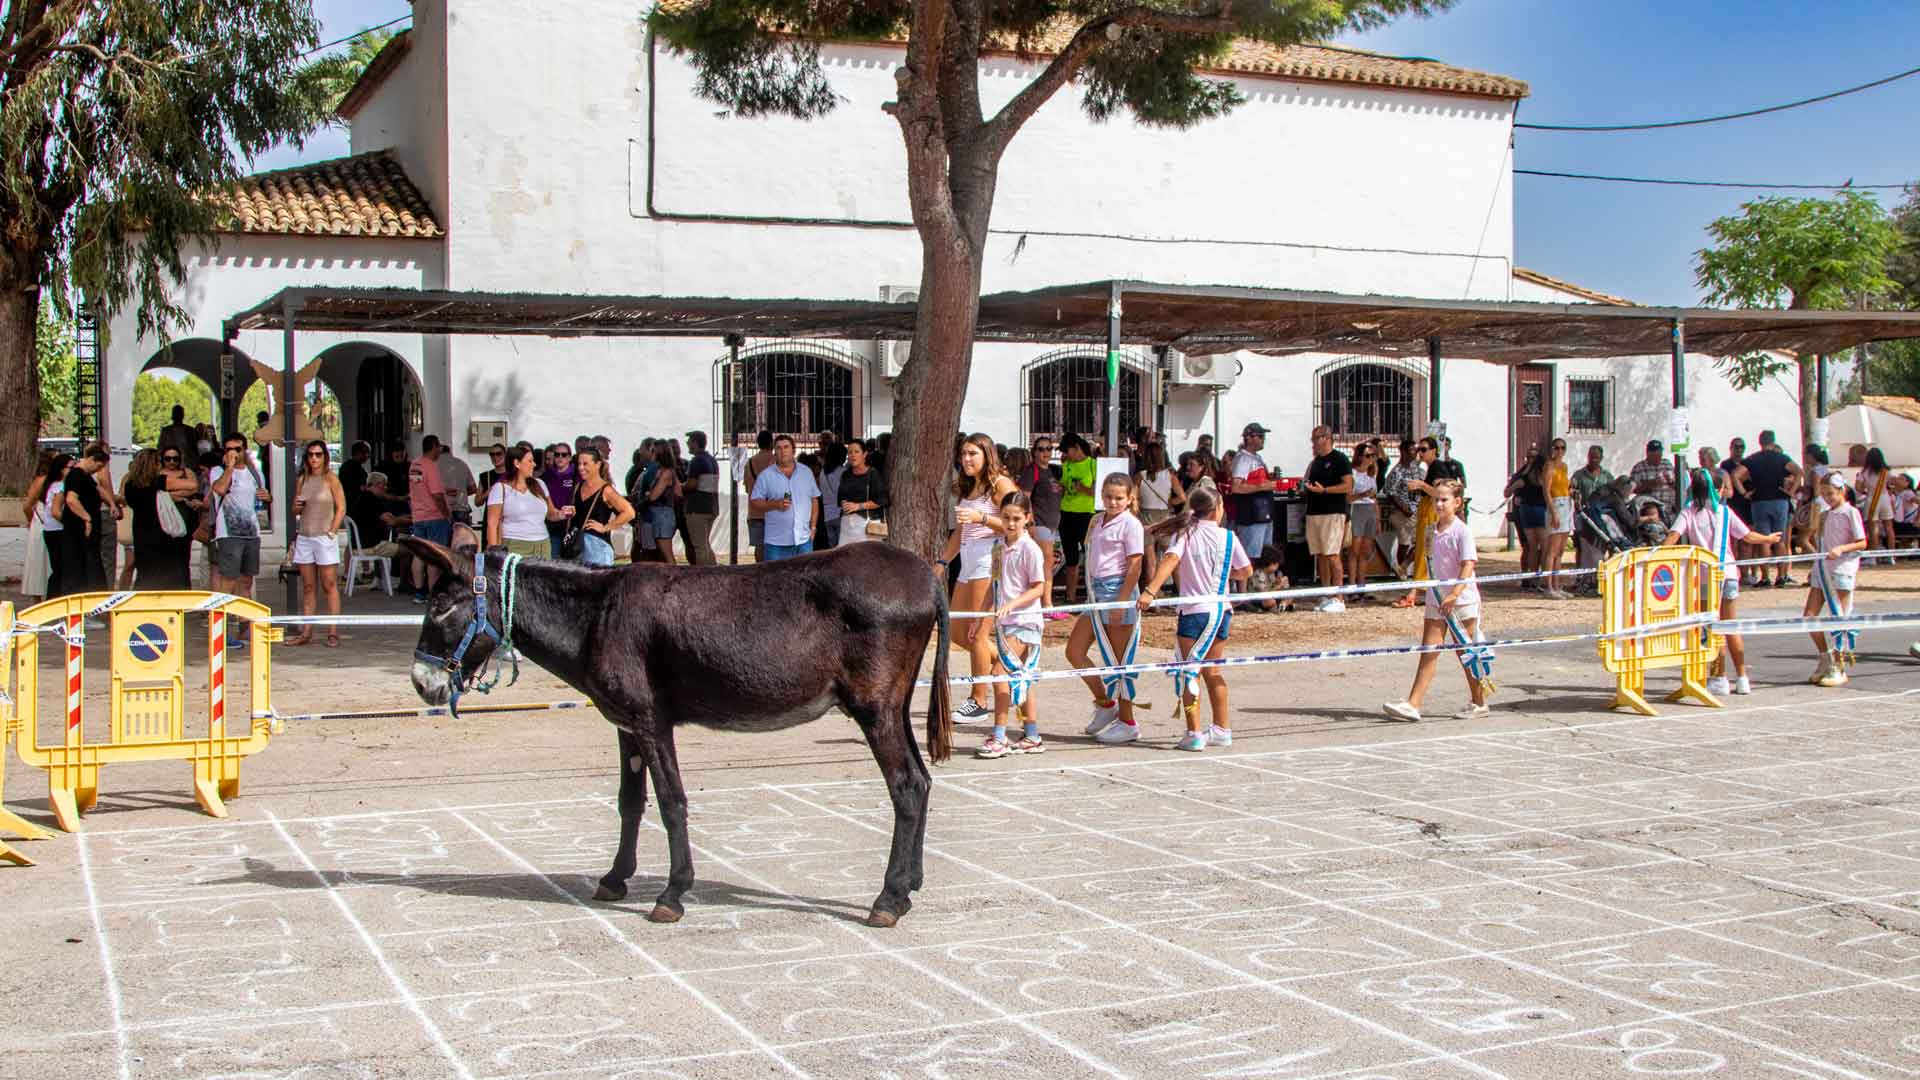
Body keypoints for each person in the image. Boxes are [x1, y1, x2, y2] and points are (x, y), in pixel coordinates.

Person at [1139, 487, 1252, 752]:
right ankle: (1222, 729)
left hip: (1194, 613)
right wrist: (1220, 573)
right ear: (1217, 509)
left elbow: (1170, 560)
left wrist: (1150, 591)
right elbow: (1246, 570)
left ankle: (1194, 733)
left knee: (1190, 672)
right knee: (1213, 671)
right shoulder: (1228, 536)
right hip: (1221, 612)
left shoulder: (1186, 533)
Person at [1665, 468, 1778, 698]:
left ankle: (1719, 677)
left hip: (1706, 578)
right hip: (1729, 574)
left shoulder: (1688, 512)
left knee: (1712, 627)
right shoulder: (1725, 512)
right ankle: (1742, 677)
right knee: (1730, 625)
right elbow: (1747, 536)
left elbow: (1672, 538)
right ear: (1718, 490)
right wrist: (1768, 538)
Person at [1383, 479, 1488, 723]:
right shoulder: (1431, 530)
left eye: (1444, 500)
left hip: (1462, 601)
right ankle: (1413, 704)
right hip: (1436, 599)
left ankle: (1479, 701)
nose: (1439, 504)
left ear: (1457, 502)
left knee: (1467, 652)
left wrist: (1454, 594)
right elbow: (1428, 564)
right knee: (1428, 652)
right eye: (1436, 499)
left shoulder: (1462, 531)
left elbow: (1468, 565)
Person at [936, 433, 1019, 723]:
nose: (966, 459)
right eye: (963, 453)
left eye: (972, 453)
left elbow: (1017, 524)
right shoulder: (969, 486)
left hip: (990, 562)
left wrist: (982, 518)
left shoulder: (1001, 484)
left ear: (987, 454)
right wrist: (942, 563)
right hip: (968, 562)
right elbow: (960, 532)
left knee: (979, 634)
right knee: (959, 633)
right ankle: (1007, 667)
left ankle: (979, 699)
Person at [1073, 474, 1147, 746]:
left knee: (1118, 661)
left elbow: (1136, 564)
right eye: (1108, 496)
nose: (1113, 502)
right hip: (1095, 591)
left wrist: (1122, 600)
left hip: (1117, 590)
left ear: (1129, 499)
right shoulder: (1096, 520)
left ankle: (1128, 722)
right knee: (1075, 651)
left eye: (1119, 498)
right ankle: (1106, 703)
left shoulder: (1131, 524)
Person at [975, 491, 1048, 760]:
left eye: (1017, 518)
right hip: (1005, 622)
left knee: (999, 673)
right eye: (1006, 518)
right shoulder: (998, 546)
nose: (1011, 523)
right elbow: (992, 585)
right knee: (1021, 676)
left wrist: (1013, 604)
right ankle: (1032, 734)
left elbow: (1038, 587)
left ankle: (999, 735)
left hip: (1025, 621)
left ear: (1027, 518)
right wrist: (980, 617)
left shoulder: (1030, 549)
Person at [1805, 470, 1867, 688]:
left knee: (1839, 616)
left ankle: (1839, 665)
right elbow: (1819, 543)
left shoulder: (1851, 512)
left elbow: (1862, 542)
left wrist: (1842, 549)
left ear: (1841, 491)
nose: (1828, 498)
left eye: (1831, 493)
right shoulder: (1825, 514)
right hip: (1822, 570)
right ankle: (1825, 657)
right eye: (1824, 494)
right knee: (1809, 616)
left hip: (1842, 569)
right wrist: (1814, 566)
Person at [287, 440, 347, 648]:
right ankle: (306, 632)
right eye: (311, 454)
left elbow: (341, 507)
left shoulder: (331, 479)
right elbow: (295, 510)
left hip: (324, 537)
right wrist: (296, 507)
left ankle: (333, 632)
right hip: (305, 536)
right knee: (308, 586)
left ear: (325, 457)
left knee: (329, 584)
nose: (314, 458)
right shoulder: (302, 479)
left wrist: (332, 531)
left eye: (318, 454)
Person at [208, 433, 267, 603]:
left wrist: (267, 497)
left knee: (246, 581)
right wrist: (230, 467)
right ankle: (221, 617)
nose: (233, 452)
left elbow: (260, 499)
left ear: (245, 450)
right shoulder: (218, 471)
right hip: (229, 534)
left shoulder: (255, 473)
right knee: (228, 580)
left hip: (251, 533)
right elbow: (219, 489)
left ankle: (243, 618)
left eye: (237, 449)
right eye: (228, 449)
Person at [1302, 425, 1353, 611]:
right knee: (1321, 555)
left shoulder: (1340, 459)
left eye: (1315, 439)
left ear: (1326, 438)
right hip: (1314, 512)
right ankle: (1326, 593)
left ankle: (1339, 597)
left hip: (1333, 512)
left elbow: (1348, 486)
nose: (1313, 443)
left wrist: (1324, 490)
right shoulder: (1315, 462)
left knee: (1332, 554)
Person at [748, 433, 821, 562]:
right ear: (774, 452)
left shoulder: (806, 472)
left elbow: (814, 500)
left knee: (804, 575)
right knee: (775, 575)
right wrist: (775, 504)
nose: (783, 451)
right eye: (779, 448)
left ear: (793, 450)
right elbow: (755, 501)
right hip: (776, 543)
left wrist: (813, 527)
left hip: (803, 540)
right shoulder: (766, 476)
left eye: (786, 447)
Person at [1742, 430, 1800, 588]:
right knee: (1780, 540)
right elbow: (1799, 472)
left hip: (1759, 501)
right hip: (1780, 499)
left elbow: (1736, 475)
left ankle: (1765, 576)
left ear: (1760, 442)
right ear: (1773, 442)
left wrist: (1745, 493)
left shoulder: (1753, 459)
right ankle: (1781, 575)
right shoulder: (1781, 458)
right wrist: (1791, 491)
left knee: (1764, 540)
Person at [1011, 439, 1063, 609]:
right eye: (1041, 449)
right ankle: (1046, 604)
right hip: (1039, 522)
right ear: (1034, 452)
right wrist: (1030, 522)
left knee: (1046, 562)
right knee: (1046, 562)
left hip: (1052, 524)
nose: (1045, 452)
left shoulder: (1053, 471)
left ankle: (1041, 602)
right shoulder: (1031, 471)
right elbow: (1024, 498)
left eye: (1049, 448)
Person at [485, 445, 560, 559]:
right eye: (530, 461)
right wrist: (493, 553)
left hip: (543, 545)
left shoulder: (540, 484)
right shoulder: (500, 489)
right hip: (514, 545)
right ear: (517, 463)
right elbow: (492, 524)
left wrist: (562, 514)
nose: (534, 464)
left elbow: (551, 514)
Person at [569, 447, 636, 567]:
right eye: (579, 464)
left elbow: (629, 512)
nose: (581, 468)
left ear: (598, 465)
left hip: (598, 548)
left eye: (585, 464)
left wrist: (606, 527)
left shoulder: (606, 490)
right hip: (578, 547)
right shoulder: (578, 486)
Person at [1056, 433, 1098, 606]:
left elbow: (1099, 492)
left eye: (1067, 451)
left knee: (1090, 557)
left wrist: (1083, 488)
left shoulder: (1093, 464)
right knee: (1071, 557)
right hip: (1066, 513)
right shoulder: (1066, 465)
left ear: (1076, 448)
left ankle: (1092, 595)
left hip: (1086, 514)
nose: (1066, 455)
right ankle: (1070, 597)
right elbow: (1063, 486)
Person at [1506, 444, 1553, 596]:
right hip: (1537, 510)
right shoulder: (1540, 473)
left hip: (1527, 510)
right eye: (1529, 457)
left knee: (1533, 547)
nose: (1531, 459)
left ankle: (1534, 579)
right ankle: (1540, 579)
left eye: (1533, 457)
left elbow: (1509, 491)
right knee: (1542, 547)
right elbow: (1507, 491)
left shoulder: (1524, 475)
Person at [1228, 422, 1277, 560]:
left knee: (1265, 556)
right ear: (1248, 438)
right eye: (1260, 436)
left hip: (1262, 514)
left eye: (1263, 436)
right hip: (1251, 516)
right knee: (1251, 557)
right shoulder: (1243, 459)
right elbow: (1236, 487)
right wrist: (1263, 486)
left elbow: (1254, 480)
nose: (1263, 439)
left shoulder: (1256, 457)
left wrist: (1269, 478)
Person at [21, 451, 66, 597]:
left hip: (40, 522)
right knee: (46, 562)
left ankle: (40, 596)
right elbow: (27, 506)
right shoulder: (47, 481)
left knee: (40, 562)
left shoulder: (43, 481)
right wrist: (31, 520)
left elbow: (27, 506)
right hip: (44, 521)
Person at [1382, 439, 1424, 574]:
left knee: (1422, 541)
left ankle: (1403, 568)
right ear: (1403, 452)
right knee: (1404, 543)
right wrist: (1403, 508)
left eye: (1416, 450)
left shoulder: (1417, 469)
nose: (1415, 452)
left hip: (1417, 511)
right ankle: (1401, 571)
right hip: (1403, 513)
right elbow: (1389, 493)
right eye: (1412, 450)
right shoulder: (1397, 471)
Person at [836, 438, 888, 547]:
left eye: (856, 452)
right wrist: (844, 503)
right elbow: (841, 498)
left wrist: (858, 506)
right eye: (850, 452)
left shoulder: (872, 474)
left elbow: (881, 500)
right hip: (847, 525)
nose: (853, 455)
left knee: (867, 556)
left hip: (867, 525)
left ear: (864, 454)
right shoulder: (845, 475)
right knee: (846, 555)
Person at [1346, 441, 1381, 596]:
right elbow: (1348, 497)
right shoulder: (1352, 474)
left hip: (1370, 511)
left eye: (1373, 455)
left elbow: (1374, 499)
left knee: (1365, 551)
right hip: (1357, 509)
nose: (1371, 459)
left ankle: (1361, 586)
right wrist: (1363, 494)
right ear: (1359, 456)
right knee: (1354, 550)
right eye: (1368, 455)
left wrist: (1378, 519)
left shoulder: (1371, 474)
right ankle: (1352, 586)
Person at [1133, 442, 1182, 551]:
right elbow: (1182, 497)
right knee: (1167, 552)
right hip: (1165, 515)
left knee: (1149, 555)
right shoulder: (1170, 475)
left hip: (1146, 515)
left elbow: (1133, 498)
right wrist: (1169, 502)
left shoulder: (1139, 476)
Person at [681, 431, 721, 564]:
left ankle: (704, 573)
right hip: (711, 507)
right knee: (705, 545)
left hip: (697, 509)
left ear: (695, 443)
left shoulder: (697, 460)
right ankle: (714, 571)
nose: (687, 443)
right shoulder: (712, 460)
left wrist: (678, 486)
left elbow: (691, 484)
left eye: (689, 441)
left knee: (700, 547)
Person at [638, 441, 680, 563]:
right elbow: (678, 491)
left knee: (666, 553)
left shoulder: (667, 472)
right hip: (657, 514)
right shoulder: (661, 471)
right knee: (659, 552)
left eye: (653, 451)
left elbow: (653, 496)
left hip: (663, 514)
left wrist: (648, 495)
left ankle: (674, 573)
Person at [540, 441, 580, 559]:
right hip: (552, 525)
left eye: (564, 454)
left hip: (571, 525)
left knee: (572, 562)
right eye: (557, 454)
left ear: (569, 457)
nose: (560, 457)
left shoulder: (577, 475)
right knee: (554, 559)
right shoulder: (547, 476)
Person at [1544, 438, 1573, 596]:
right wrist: (1553, 512)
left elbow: (1564, 487)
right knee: (1553, 550)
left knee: (1561, 550)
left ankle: (1557, 585)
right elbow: (1546, 491)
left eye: (1562, 448)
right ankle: (1548, 586)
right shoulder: (1549, 466)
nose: (1559, 451)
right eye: (1556, 448)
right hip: (1556, 505)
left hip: (1566, 503)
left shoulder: (1564, 466)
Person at [1857, 447, 1896, 561]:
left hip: (1872, 499)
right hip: (1885, 498)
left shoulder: (1864, 472)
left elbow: (1858, 487)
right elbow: (1895, 482)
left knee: (1873, 528)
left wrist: (1865, 490)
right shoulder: (1886, 471)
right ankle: (1892, 556)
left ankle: (1873, 557)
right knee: (1889, 527)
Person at [743, 429, 775, 559]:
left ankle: (761, 568)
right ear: (771, 443)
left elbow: (747, 488)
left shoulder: (750, 463)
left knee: (759, 547)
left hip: (755, 511)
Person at [1631, 439, 1675, 517]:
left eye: (1660, 454)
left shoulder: (1667, 464)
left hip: (1669, 506)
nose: (1658, 457)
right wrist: (1653, 483)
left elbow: (1675, 484)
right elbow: (1634, 490)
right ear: (1648, 454)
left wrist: (1671, 481)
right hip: (1651, 509)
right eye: (1655, 455)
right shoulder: (1639, 468)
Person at [818, 441, 848, 549]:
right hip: (841, 514)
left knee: (833, 550)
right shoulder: (844, 472)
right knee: (844, 550)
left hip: (828, 516)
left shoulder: (822, 472)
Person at [340, 441, 374, 507]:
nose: (368, 456)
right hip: (353, 505)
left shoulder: (354, 466)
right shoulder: (350, 467)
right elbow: (355, 487)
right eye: (366, 452)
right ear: (358, 452)